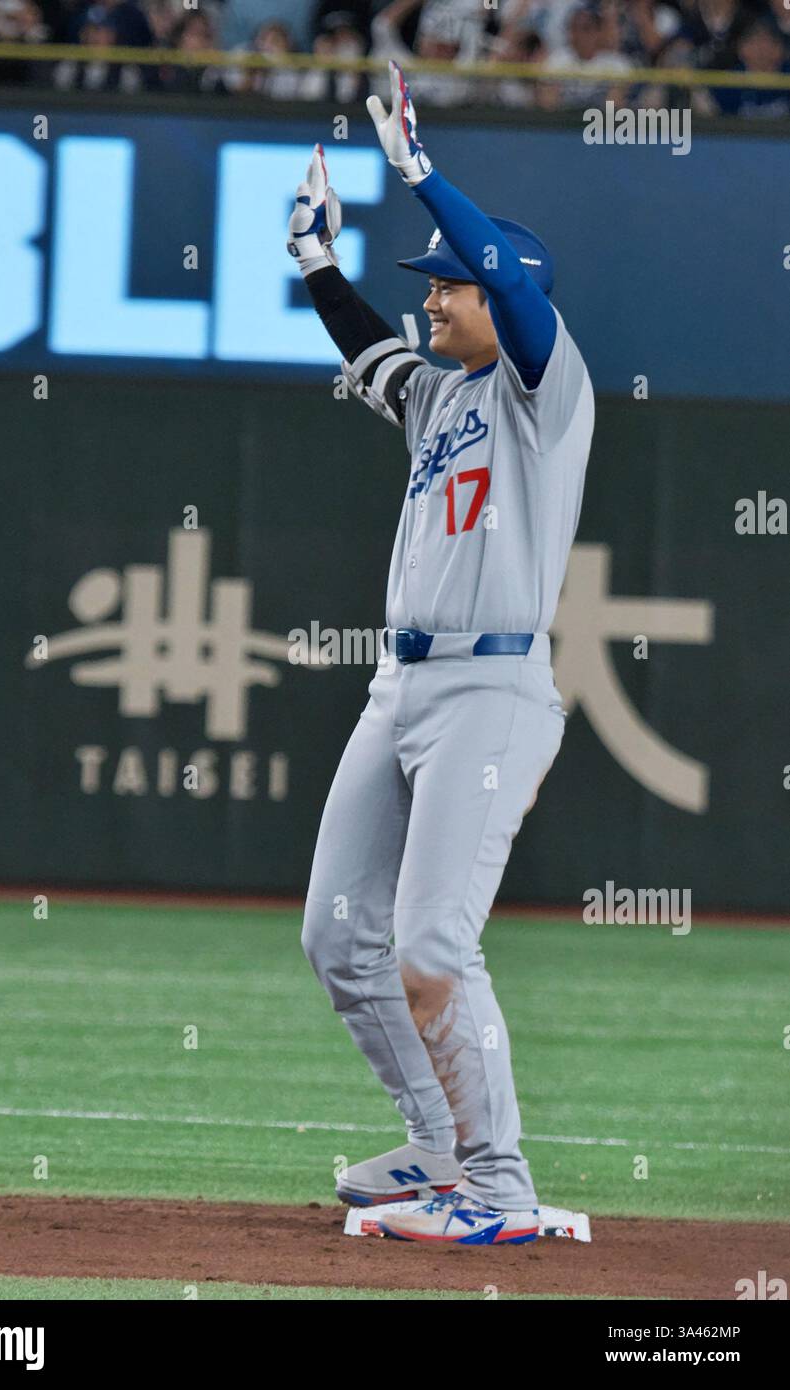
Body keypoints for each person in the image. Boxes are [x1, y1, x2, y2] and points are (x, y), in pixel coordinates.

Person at [291, 62, 594, 1244]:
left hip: (495, 684)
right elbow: (374, 353)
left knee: (429, 944)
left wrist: (422, 177)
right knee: (338, 933)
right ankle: (434, 1147)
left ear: (496, 291)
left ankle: (500, 1191)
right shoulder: (439, 397)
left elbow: (513, 288)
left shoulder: (544, 388)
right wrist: (319, 267)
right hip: (401, 684)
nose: (431, 299)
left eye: (446, 286)